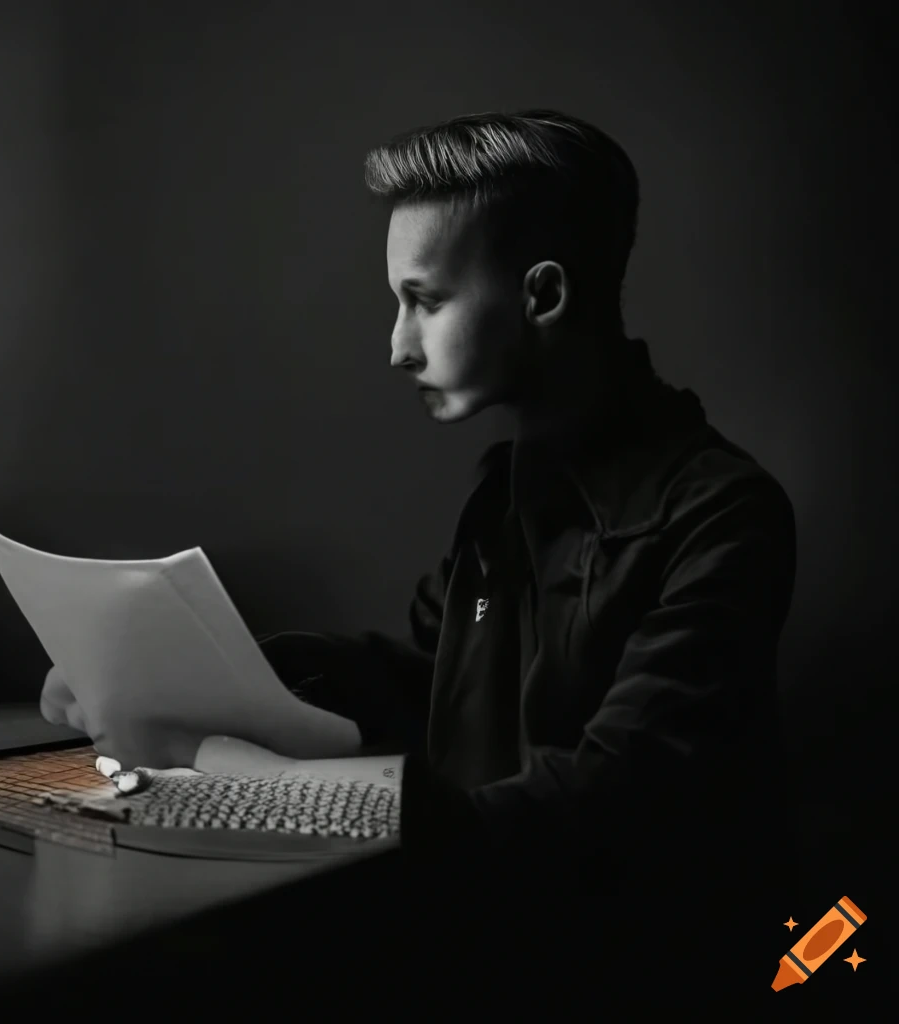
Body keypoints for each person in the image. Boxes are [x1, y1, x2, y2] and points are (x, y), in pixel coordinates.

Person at [43, 109, 797, 1010]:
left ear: (543, 295)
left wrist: (307, 797)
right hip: (473, 938)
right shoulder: (504, 492)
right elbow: (423, 680)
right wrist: (188, 669)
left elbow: (610, 803)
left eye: (426, 301)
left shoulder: (723, 513)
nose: (398, 346)